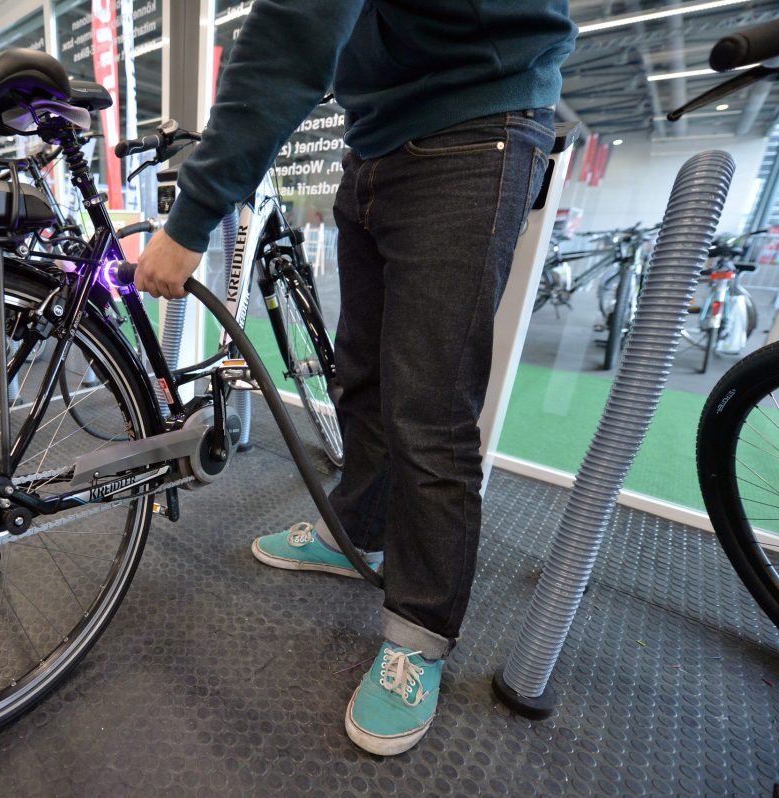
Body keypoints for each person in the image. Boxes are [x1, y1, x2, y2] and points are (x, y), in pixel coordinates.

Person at [135, 1, 576, 756]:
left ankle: (420, 633)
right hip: (375, 145)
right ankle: (359, 535)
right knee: (362, 378)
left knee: (431, 406)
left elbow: (294, 33)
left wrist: (191, 218)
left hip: (476, 126)